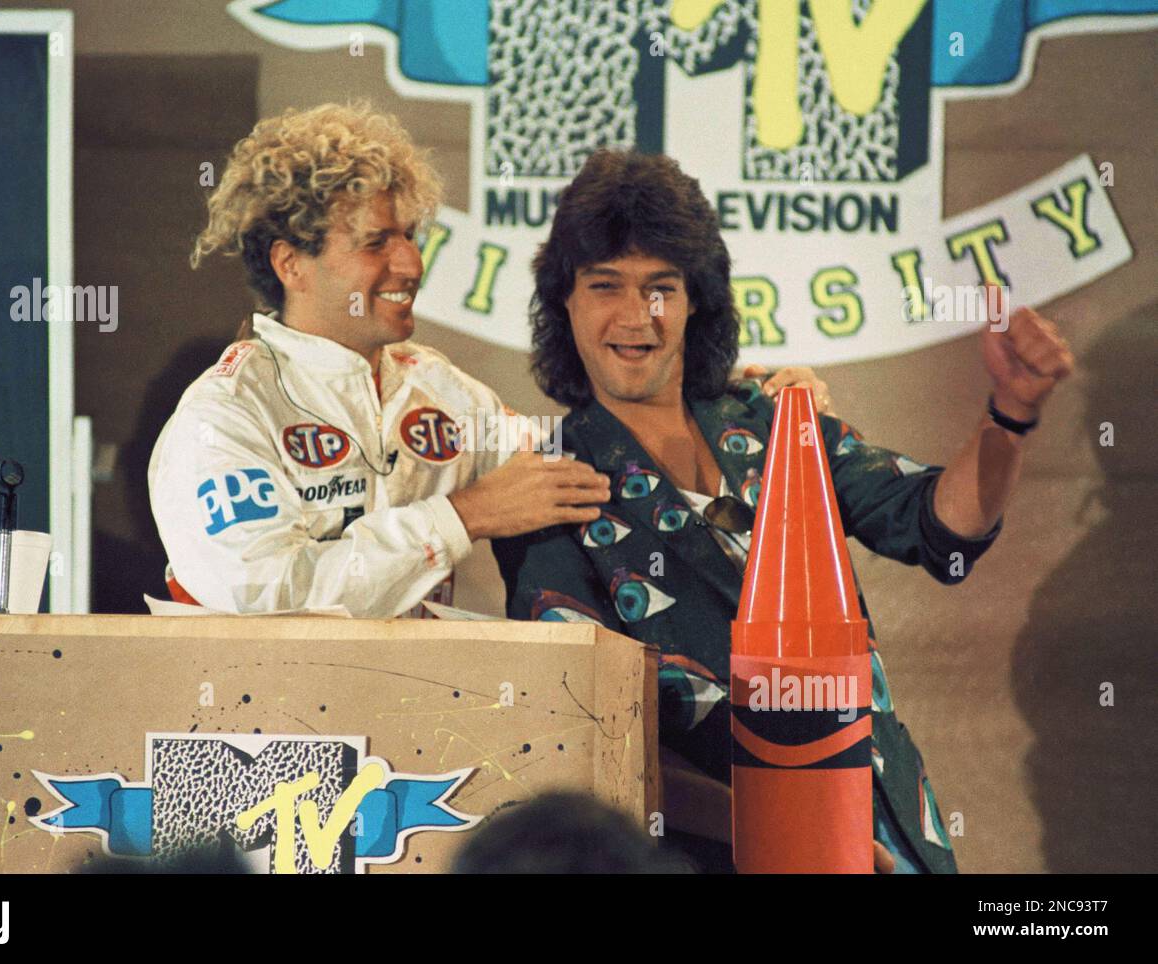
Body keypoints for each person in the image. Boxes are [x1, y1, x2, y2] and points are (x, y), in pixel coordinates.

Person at [491, 149, 1074, 873]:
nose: (635, 316)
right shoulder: (547, 483)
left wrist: (1010, 414)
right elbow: (590, 738)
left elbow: (941, 529)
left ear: (696, 297)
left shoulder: (775, 418)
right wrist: (798, 827)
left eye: (660, 287)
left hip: (888, 833)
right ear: (565, 301)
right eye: (604, 285)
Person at [148, 102, 824, 616]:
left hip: (405, 748)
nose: (410, 263)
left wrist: (736, 402)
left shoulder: (432, 389)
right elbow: (267, 600)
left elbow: (589, 462)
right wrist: (463, 516)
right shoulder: (225, 418)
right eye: (375, 242)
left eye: (409, 236)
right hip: (257, 760)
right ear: (291, 263)